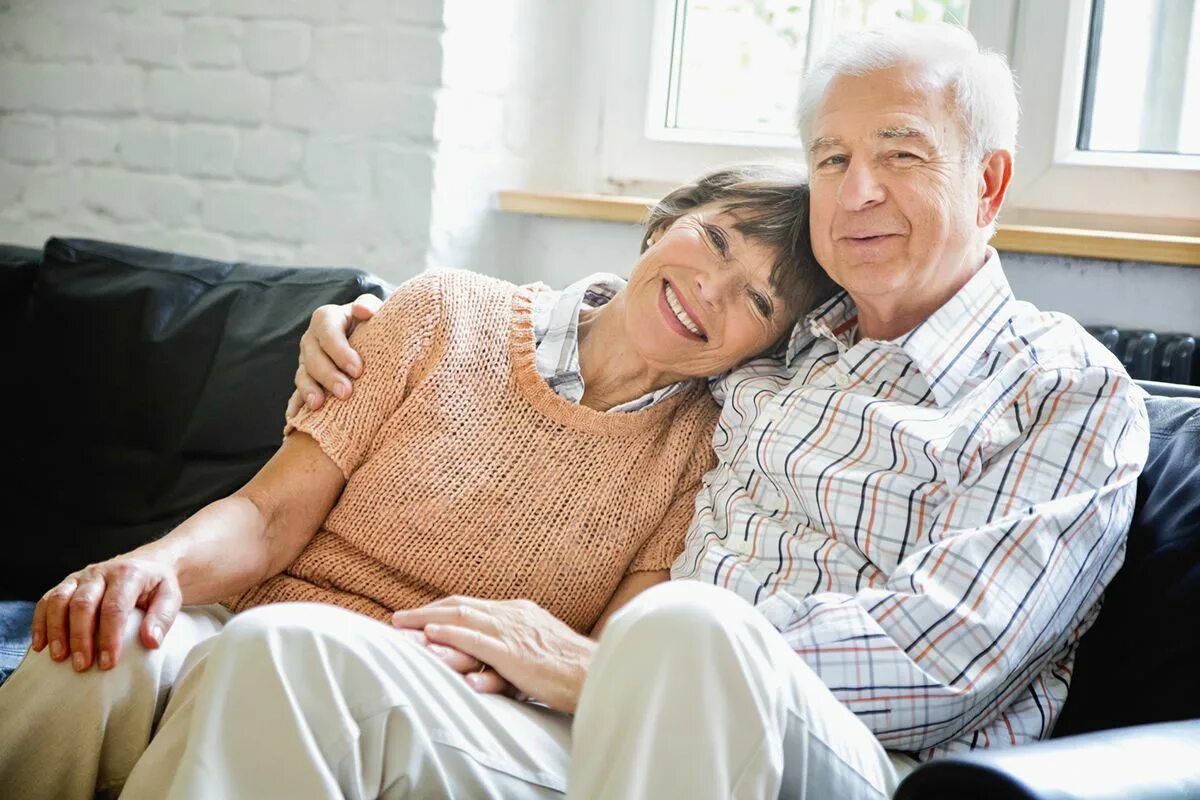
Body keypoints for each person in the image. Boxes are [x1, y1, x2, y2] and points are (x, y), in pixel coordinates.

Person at [255, 21, 1149, 800]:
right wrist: (368, 323)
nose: (857, 191)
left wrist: (618, 667)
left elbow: (950, 658)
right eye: (832, 160)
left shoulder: (1065, 391)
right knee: (302, 657)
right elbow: (617, 330)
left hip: (862, 761)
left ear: (989, 184)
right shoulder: (778, 340)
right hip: (610, 709)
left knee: (693, 623)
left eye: (901, 153)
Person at [0, 164, 837, 800]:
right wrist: (152, 568)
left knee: (269, 648)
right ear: (666, 223)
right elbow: (266, 518)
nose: (710, 288)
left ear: (759, 350)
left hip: (434, 686)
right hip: (269, 619)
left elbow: (604, 660)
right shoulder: (442, 310)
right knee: (97, 641)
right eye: (716, 241)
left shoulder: (707, 452)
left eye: (757, 303)